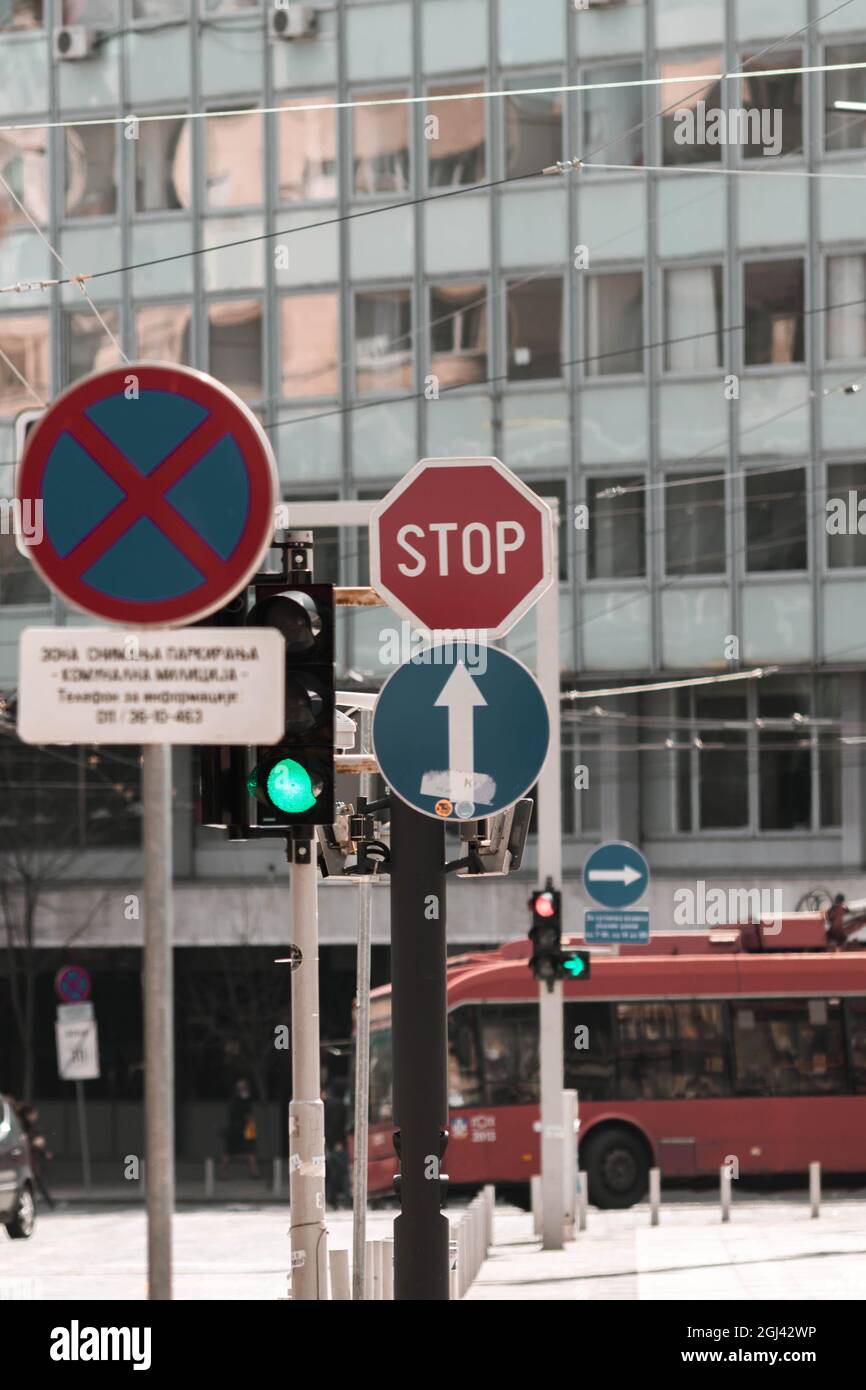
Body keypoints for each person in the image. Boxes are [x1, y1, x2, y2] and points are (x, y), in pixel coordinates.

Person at [16, 1102, 56, 1209]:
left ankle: (48, 1203)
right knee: (31, 1181)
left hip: (32, 1158)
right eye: (33, 1114)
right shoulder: (20, 1126)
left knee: (36, 1181)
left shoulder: (31, 1125)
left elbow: (38, 1139)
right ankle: (45, 1204)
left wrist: (45, 1150)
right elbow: (23, 1141)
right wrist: (33, 1143)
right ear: (27, 1114)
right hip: (25, 1159)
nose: (35, 1116)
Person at [219, 1078, 260, 1179]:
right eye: (242, 1087)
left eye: (245, 1087)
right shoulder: (236, 1100)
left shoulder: (246, 1099)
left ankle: (254, 1172)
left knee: (250, 1150)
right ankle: (223, 1173)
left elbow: (249, 1113)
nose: (244, 1089)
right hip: (235, 1129)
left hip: (245, 1129)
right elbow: (241, 1114)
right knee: (228, 1151)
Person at [323, 1082, 350, 1209]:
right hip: (337, 1144)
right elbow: (336, 1125)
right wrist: (337, 1142)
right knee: (341, 1171)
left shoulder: (330, 1104)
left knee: (334, 1171)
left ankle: (333, 1199)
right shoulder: (338, 1105)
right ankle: (341, 1199)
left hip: (331, 1143)